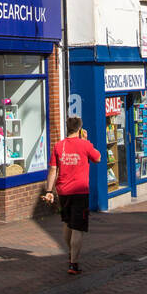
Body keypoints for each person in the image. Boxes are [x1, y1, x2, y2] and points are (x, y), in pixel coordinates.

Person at [43, 115, 101, 275]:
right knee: (78, 228)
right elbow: (98, 158)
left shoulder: (58, 146)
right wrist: (87, 141)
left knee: (67, 223)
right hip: (80, 191)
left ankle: (71, 253)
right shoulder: (85, 145)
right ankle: (73, 263)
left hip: (63, 191)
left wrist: (49, 191)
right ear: (80, 129)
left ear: (67, 128)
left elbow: (53, 170)